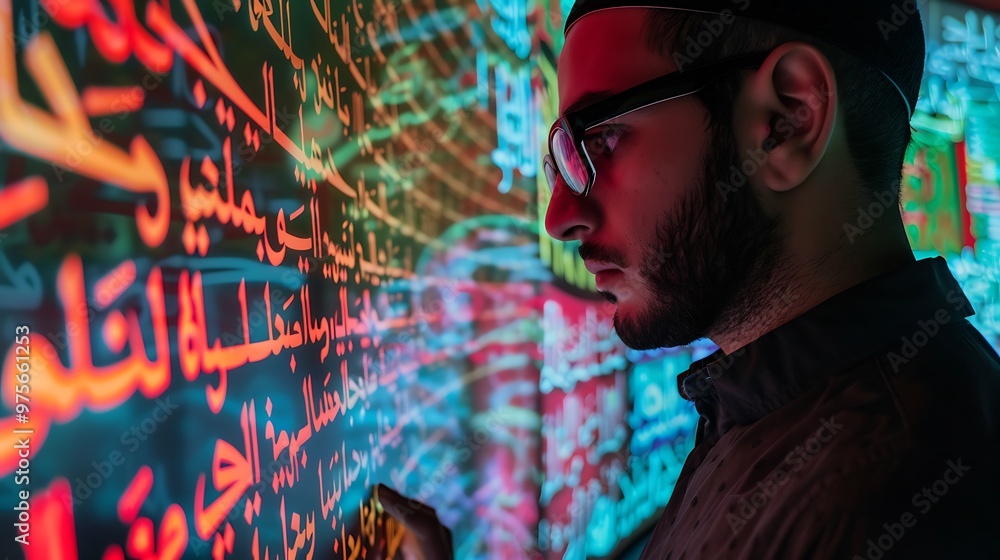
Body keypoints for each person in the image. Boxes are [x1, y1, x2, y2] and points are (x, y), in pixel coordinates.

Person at [379, 1, 1000, 558]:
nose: (560, 217)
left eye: (602, 140)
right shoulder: (782, 408)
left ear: (790, 119)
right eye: (561, 160)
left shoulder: (888, 503)